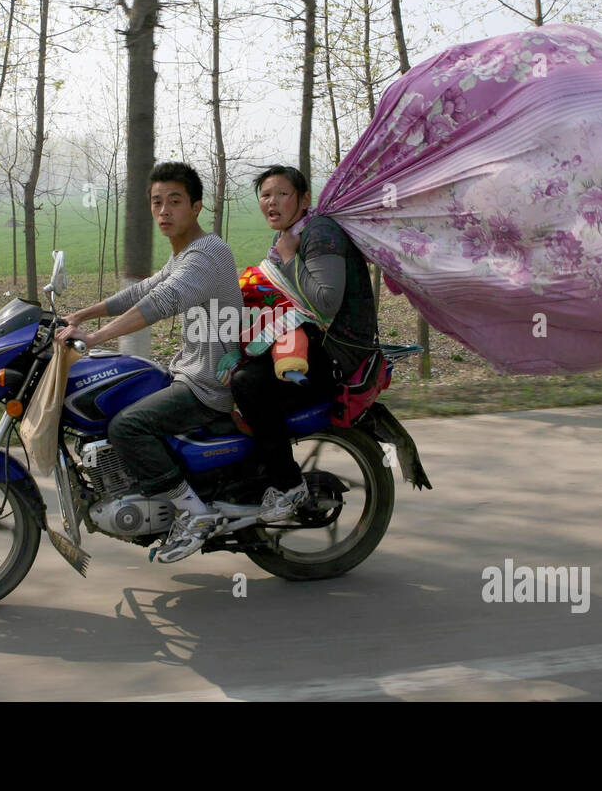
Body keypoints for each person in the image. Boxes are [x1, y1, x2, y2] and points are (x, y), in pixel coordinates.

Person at [57, 162, 243, 563]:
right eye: (157, 202)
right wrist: (80, 316)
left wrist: (94, 338)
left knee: (128, 425)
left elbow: (162, 301)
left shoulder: (208, 254)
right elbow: (143, 290)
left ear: (195, 207)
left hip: (208, 384)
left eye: (174, 201)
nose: (164, 211)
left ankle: (195, 515)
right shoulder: (185, 256)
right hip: (188, 373)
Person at [230, 165, 379, 523]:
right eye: (265, 195)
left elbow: (326, 302)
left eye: (282, 194)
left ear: (304, 199)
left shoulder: (319, 234)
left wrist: (289, 257)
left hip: (337, 355)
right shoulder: (291, 235)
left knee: (247, 385)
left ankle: (287, 484)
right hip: (309, 340)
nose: (272, 202)